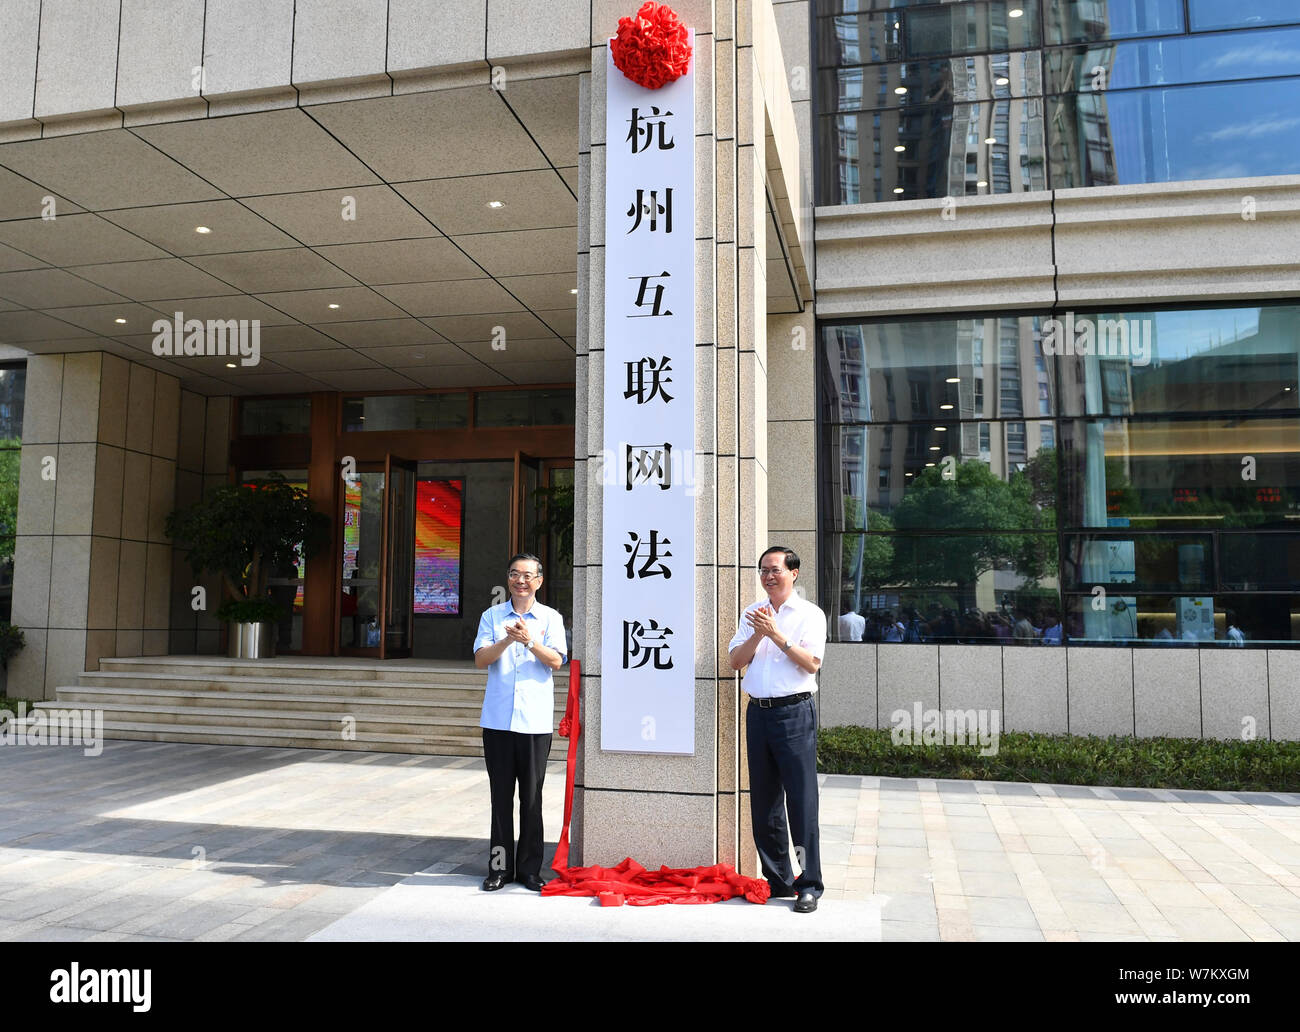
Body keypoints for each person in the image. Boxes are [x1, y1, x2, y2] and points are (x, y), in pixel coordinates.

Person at [728, 546, 827, 914]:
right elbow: (736, 661)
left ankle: (809, 883)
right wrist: (759, 632)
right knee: (765, 800)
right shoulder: (752, 613)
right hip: (759, 713)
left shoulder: (809, 614)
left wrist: (778, 635)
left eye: (776, 570)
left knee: (801, 801)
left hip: (794, 714)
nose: (769, 576)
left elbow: (812, 664)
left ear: (794, 573)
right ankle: (778, 878)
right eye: (763, 570)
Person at [472, 552, 567, 892]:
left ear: (539, 581)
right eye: (514, 574)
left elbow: (556, 660)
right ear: (508, 579)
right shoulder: (492, 616)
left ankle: (529, 870)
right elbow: (481, 659)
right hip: (497, 721)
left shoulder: (550, 618)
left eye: (527, 575)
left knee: (531, 798)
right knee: (500, 797)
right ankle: (499, 867)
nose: (520, 580)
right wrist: (507, 639)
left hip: (534, 723)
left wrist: (529, 641)